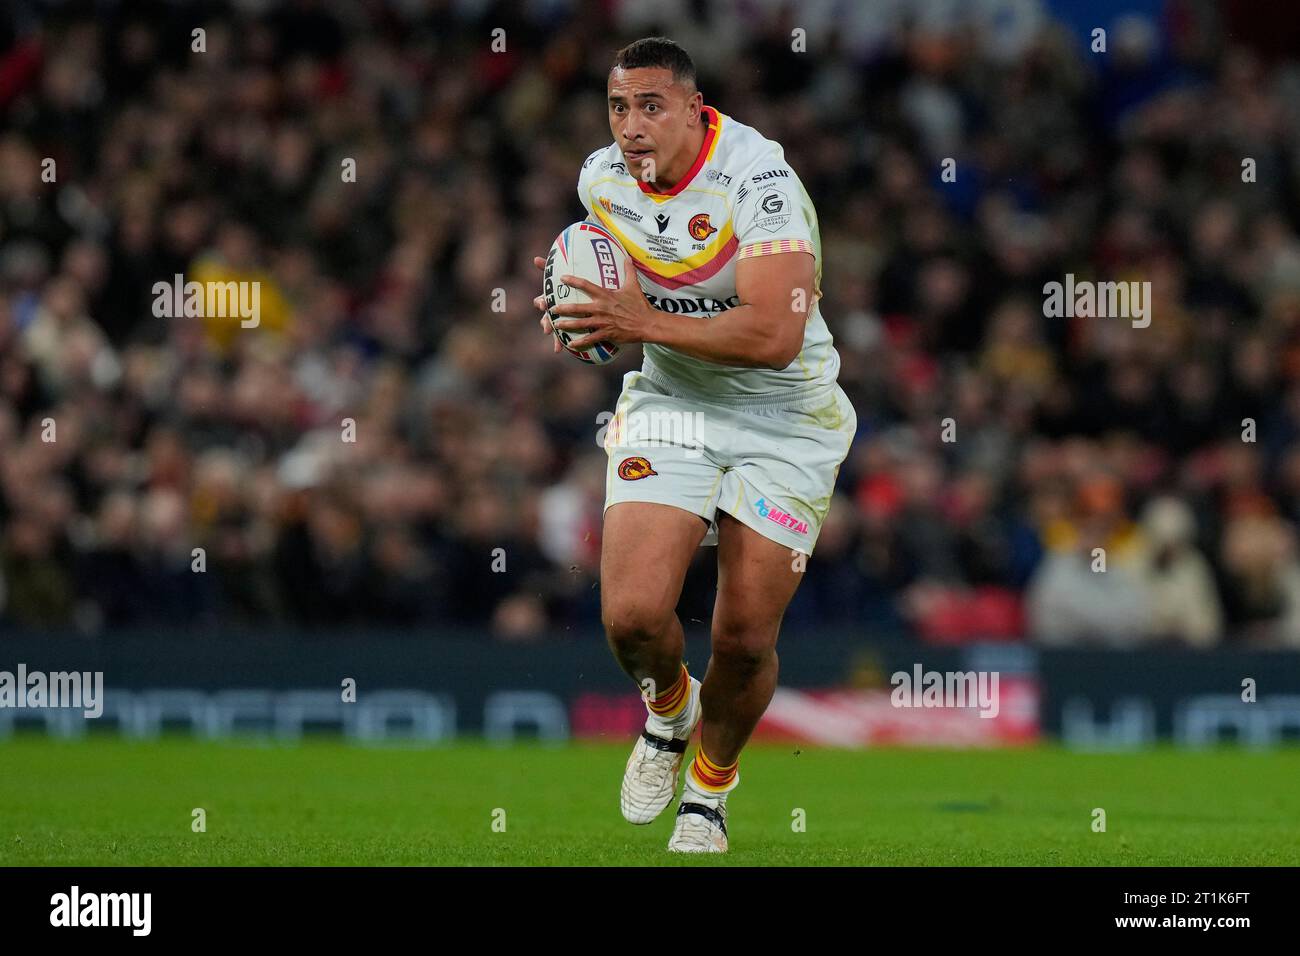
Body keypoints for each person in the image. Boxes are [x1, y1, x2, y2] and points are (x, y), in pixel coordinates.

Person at [532, 37, 856, 852]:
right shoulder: (600, 181)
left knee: (744, 638)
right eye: (617, 107)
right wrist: (576, 319)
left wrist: (636, 324)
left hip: (787, 417)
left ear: (691, 108)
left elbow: (777, 334)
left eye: (650, 107)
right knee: (635, 616)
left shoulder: (761, 180)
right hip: (673, 401)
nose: (630, 127)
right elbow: (608, 291)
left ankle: (709, 791)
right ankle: (669, 714)